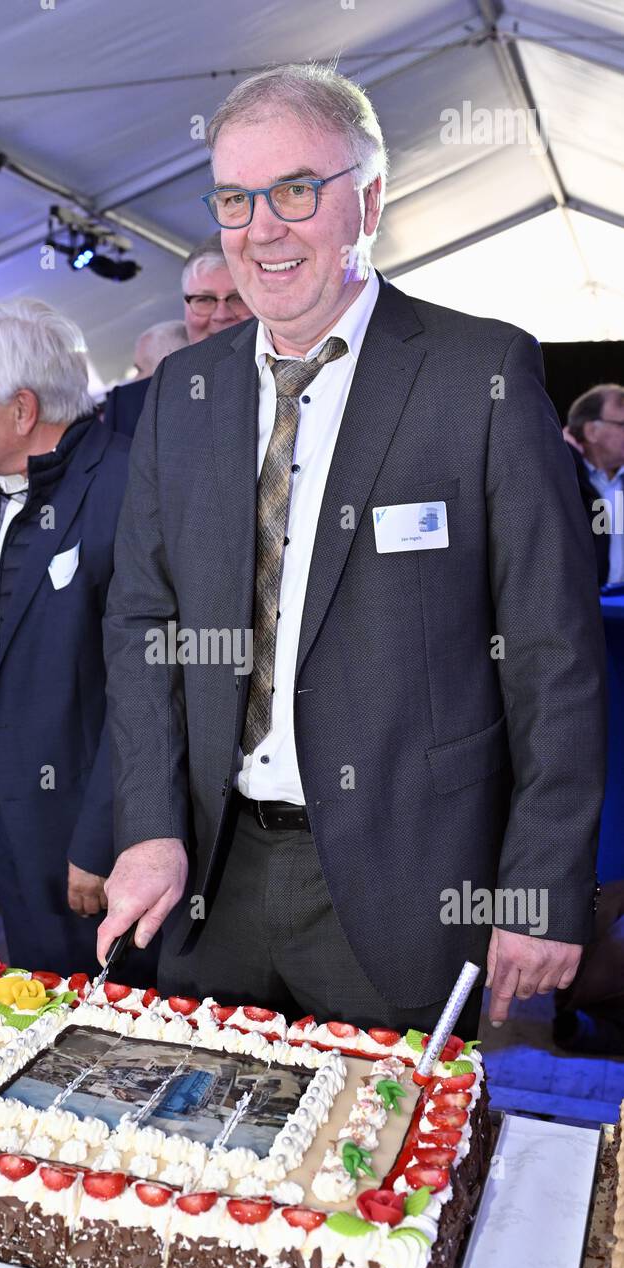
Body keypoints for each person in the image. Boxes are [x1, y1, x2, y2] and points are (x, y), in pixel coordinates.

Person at [99, 63, 606, 1038]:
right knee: (216, 1169)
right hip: (214, 885)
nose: (261, 229)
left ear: (367, 200)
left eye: (295, 190)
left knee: (404, 1178)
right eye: (235, 199)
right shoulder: (184, 391)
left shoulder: (477, 376)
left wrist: (538, 888)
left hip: (411, 885)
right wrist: (150, 822)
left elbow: (552, 658)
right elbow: (139, 628)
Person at [0, 299, 133, 978]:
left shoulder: (124, 489)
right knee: (37, 1005)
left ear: (22, 410)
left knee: (106, 1035)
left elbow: (147, 690)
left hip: (84, 835)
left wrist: (100, 840)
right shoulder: (0, 485)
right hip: (9, 809)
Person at [102, 234, 254, 438]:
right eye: (204, 299)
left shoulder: (297, 383)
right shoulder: (133, 406)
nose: (222, 315)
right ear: (185, 306)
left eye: (238, 298)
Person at [566, 384, 624, 587]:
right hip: (587, 609)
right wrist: (564, 453)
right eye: (622, 424)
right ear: (591, 431)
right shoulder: (563, 478)